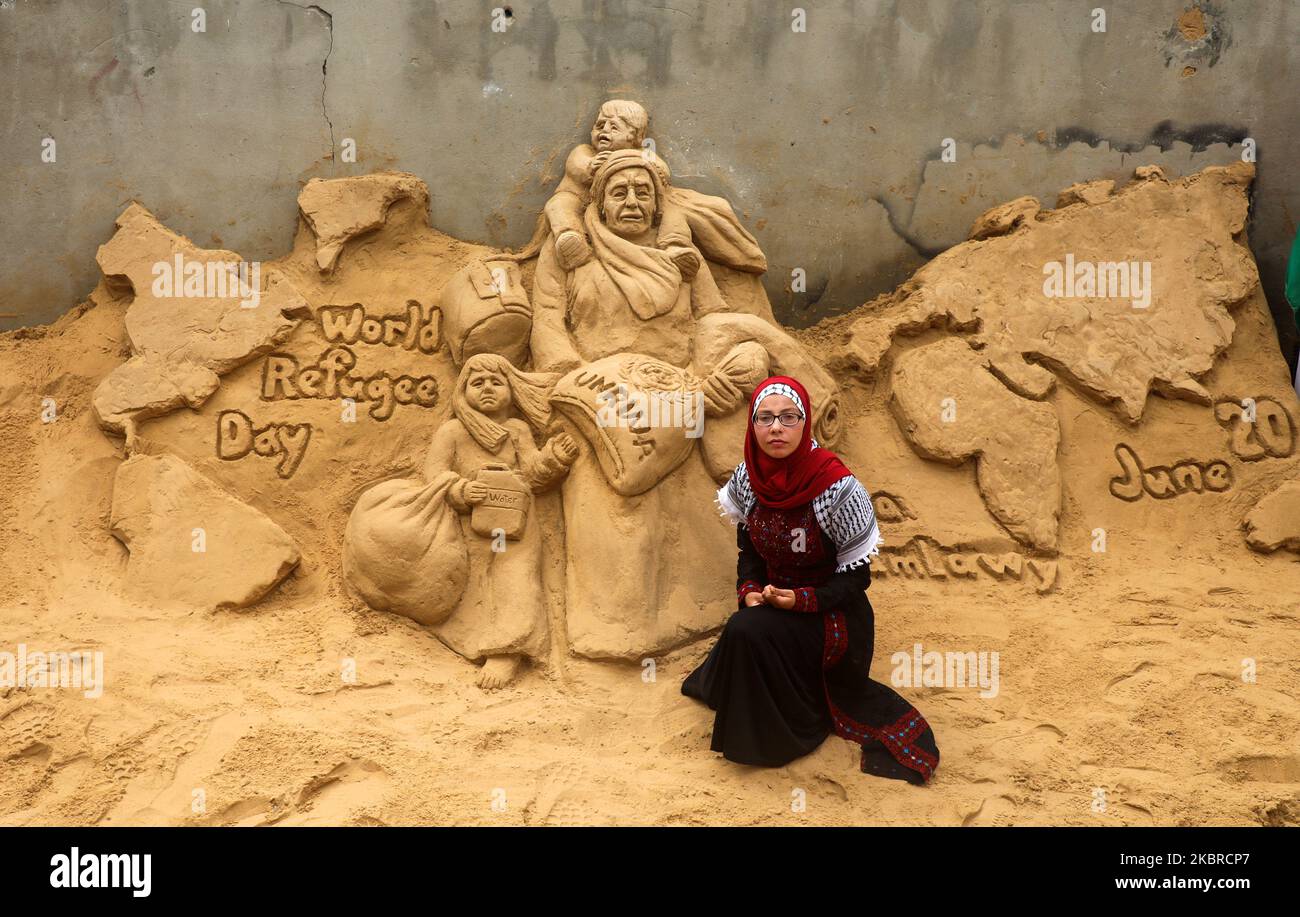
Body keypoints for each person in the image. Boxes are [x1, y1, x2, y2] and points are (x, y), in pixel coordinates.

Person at [681, 375, 940, 785]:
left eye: (788, 417)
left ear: (805, 423)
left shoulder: (836, 488)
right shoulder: (748, 479)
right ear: (752, 426)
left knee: (746, 631)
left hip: (832, 615)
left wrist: (799, 600)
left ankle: (776, 742)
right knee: (745, 624)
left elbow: (858, 578)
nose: (776, 428)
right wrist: (748, 590)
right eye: (764, 418)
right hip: (773, 601)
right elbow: (749, 552)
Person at [421, 352, 579, 689]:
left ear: (511, 388)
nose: (487, 388)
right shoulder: (453, 431)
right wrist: (463, 490)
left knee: (517, 580)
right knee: (474, 584)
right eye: (477, 383)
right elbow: (434, 473)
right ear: (462, 391)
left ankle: (507, 651)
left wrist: (554, 458)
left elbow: (535, 474)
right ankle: (473, 641)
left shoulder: (518, 429)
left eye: (496, 381)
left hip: (516, 524)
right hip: (468, 525)